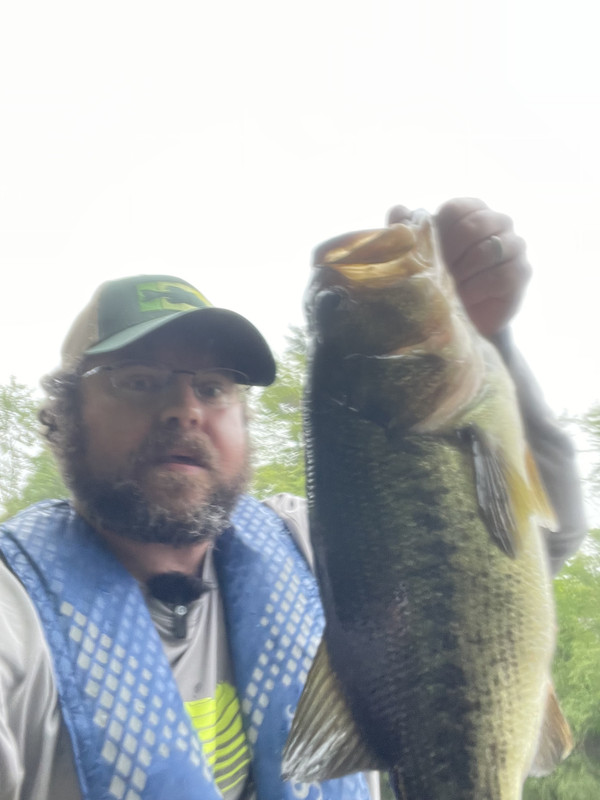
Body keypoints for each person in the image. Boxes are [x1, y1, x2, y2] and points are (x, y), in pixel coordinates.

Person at [0, 199, 587, 800]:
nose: (185, 409)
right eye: (139, 381)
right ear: (64, 417)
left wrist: (490, 338)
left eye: (213, 388)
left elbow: (547, 538)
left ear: (243, 424)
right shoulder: (13, 615)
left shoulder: (314, 545)